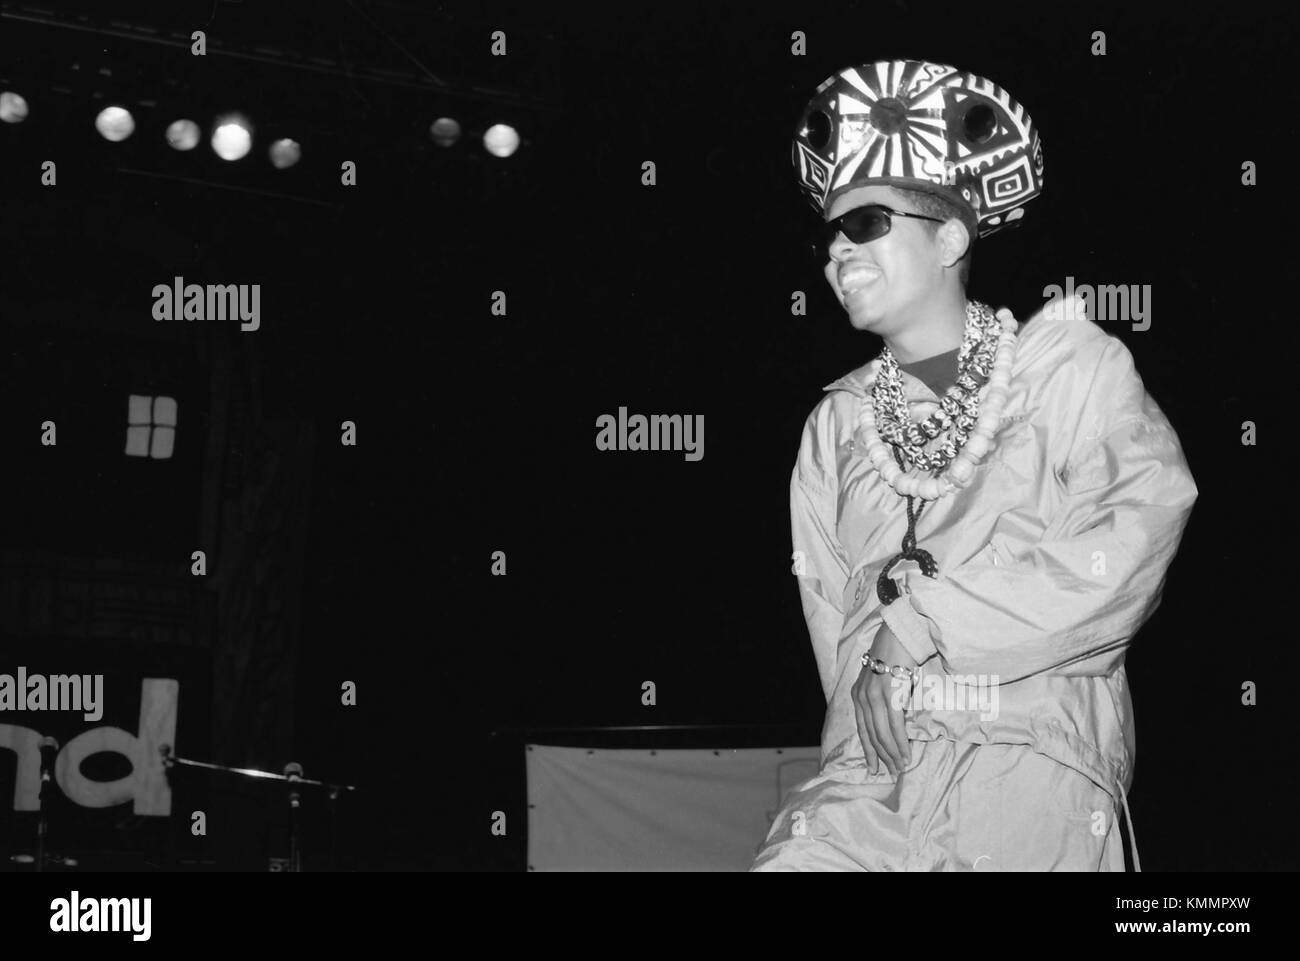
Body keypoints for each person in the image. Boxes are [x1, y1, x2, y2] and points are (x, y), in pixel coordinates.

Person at [751, 59, 1198, 871]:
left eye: (866, 225)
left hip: (1026, 762)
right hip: (870, 776)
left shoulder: (1069, 370)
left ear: (951, 236)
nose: (834, 255)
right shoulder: (834, 427)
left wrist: (924, 624)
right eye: (826, 237)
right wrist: (869, 715)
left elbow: (1133, 543)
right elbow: (830, 618)